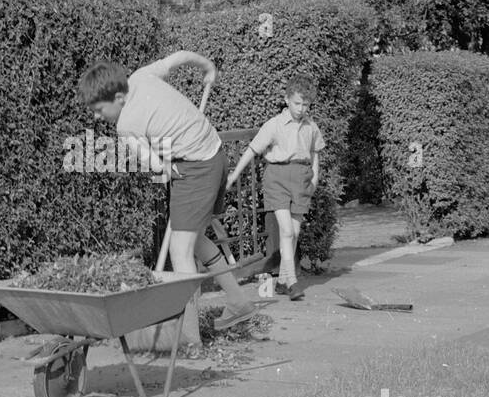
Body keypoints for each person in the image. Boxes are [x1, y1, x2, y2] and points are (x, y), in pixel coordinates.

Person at [78, 53, 260, 330]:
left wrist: (169, 171)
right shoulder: (140, 76)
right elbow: (179, 57)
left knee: (180, 251)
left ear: (117, 98)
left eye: (100, 109)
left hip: (196, 168)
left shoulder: (126, 125)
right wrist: (207, 66)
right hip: (215, 154)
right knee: (196, 241)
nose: (96, 116)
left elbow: (155, 165)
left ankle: (188, 334)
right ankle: (238, 303)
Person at [226, 75, 326, 300]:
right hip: (277, 177)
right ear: (287, 100)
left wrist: (315, 178)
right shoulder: (274, 125)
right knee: (287, 231)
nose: (301, 109)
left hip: (301, 178)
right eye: (297, 103)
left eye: (306, 104)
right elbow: (252, 150)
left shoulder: (311, 127)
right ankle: (292, 282)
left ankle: (281, 281)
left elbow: (315, 153)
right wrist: (234, 175)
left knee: (295, 233)